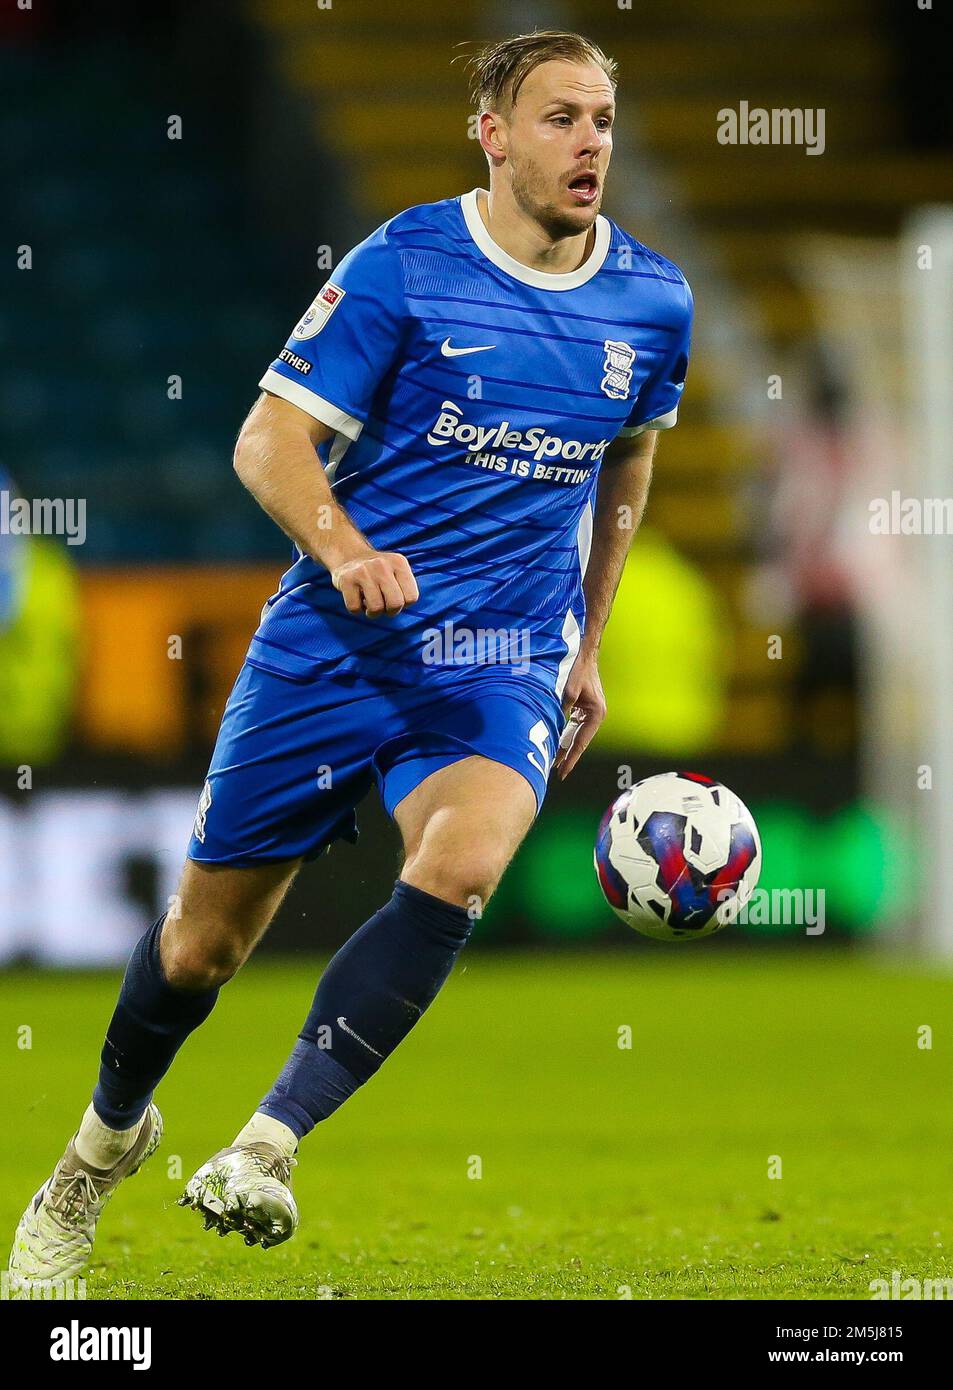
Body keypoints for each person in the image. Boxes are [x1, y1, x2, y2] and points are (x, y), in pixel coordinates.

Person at [8, 29, 692, 1287]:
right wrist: (340, 544)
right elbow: (266, 442)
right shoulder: (407, 265)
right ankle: (93, 1158)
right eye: (558, 119)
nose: (590, 141)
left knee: (465, 862)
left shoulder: (652, 300)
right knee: (200, 950)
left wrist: (582, 650)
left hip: (498, 657)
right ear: (490, 135)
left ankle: (266, 1143)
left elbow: (628, 459)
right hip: (338, 644)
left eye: (602, 117)